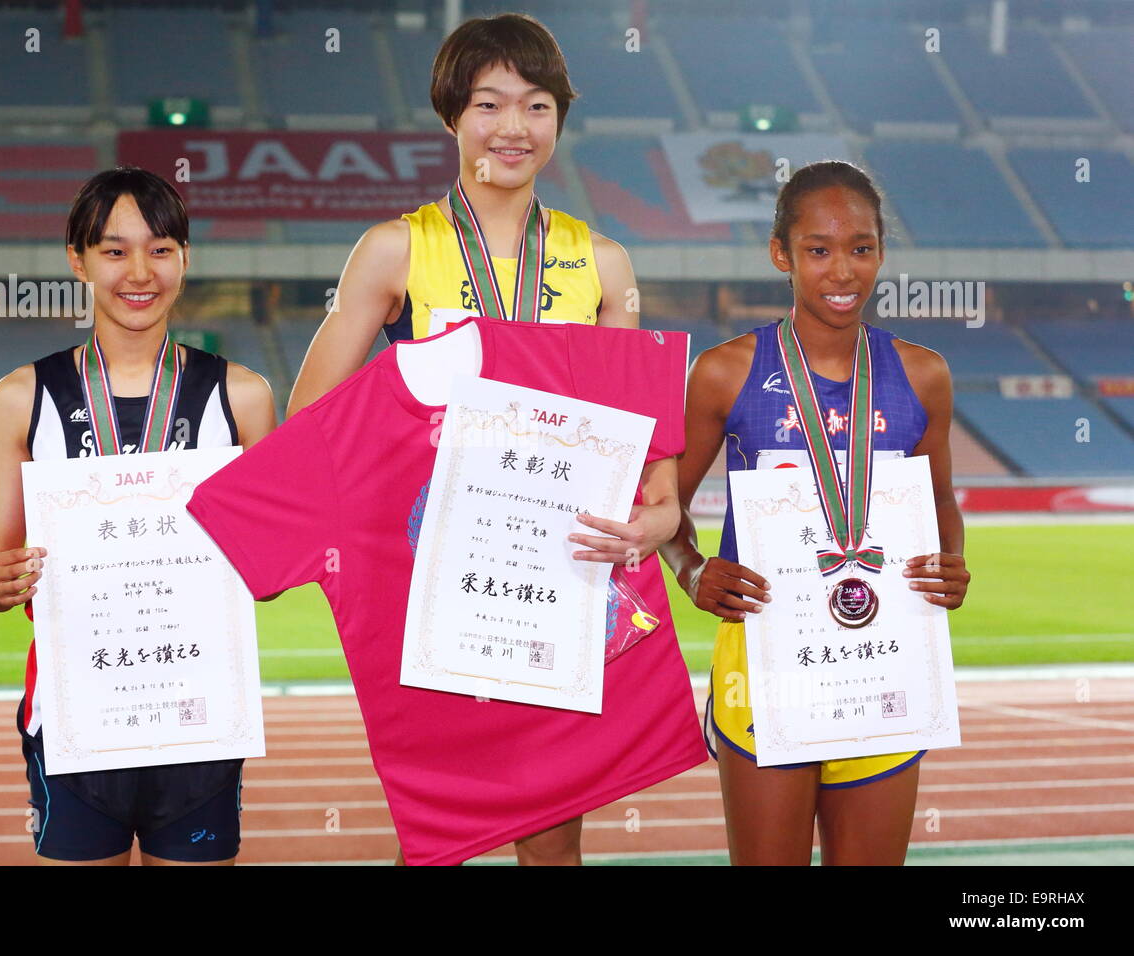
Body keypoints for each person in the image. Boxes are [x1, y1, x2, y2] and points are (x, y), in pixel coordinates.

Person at [285, 13, 682, 865]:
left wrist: (662, 509)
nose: (513, 128)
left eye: (537, 106)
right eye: (489, 104)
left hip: (559, 577)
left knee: (553, 844)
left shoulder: (602, 261)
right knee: (440, 837)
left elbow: (648, 437)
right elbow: (310, 419)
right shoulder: (395, 249)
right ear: (451, 116)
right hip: (436, 574)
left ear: (559, 120)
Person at [660, 161, 971, 865]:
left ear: (881, 253)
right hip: (767, 657)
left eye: (861, 248)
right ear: (782, 254)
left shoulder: (923, 374)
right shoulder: (725, 371)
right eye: (819, 249)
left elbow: (940, 502)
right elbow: (663, 508)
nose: (842, 271)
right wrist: (692, 570)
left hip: (882, 658)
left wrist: (951, 563)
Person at [0, 167, 274, 865]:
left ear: (185, 258)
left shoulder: (243, 398)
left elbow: (270, 575)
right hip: (77, 712)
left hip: (200, 711)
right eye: (113, 251)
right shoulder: (22, 398)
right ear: (76, 260)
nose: (139, 271)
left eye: (161, 249)